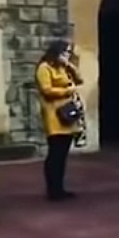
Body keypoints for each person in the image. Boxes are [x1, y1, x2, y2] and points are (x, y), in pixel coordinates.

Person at [35, 39, 84, 201]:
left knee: (63, 154)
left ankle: (60, 187)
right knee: (55, 153)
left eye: (69, 53)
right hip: (54, 113)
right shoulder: (44, 68)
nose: (67, 55)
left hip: (67, 113)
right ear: (56, 52)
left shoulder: (64, 68)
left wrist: (69, 65)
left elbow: (79, 79)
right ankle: (52, 189)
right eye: (65, 52)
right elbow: (46, 90)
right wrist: (68, 90)